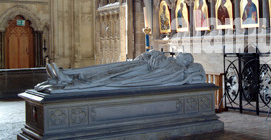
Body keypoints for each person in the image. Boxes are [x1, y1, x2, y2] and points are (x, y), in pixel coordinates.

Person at [34, 51, 206, 93]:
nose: (182, 56)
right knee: (105, 68)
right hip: (137, 65)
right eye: (183, 54)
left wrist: (155, 63)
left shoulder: (176, 69)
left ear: (187, 62)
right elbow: (144, 55)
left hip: (139, 74)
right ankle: (68, 74)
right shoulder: (167, 57)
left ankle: (71, 83)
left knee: (108, 76)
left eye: (186, 57)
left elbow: (159, 76)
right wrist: (150, 54)